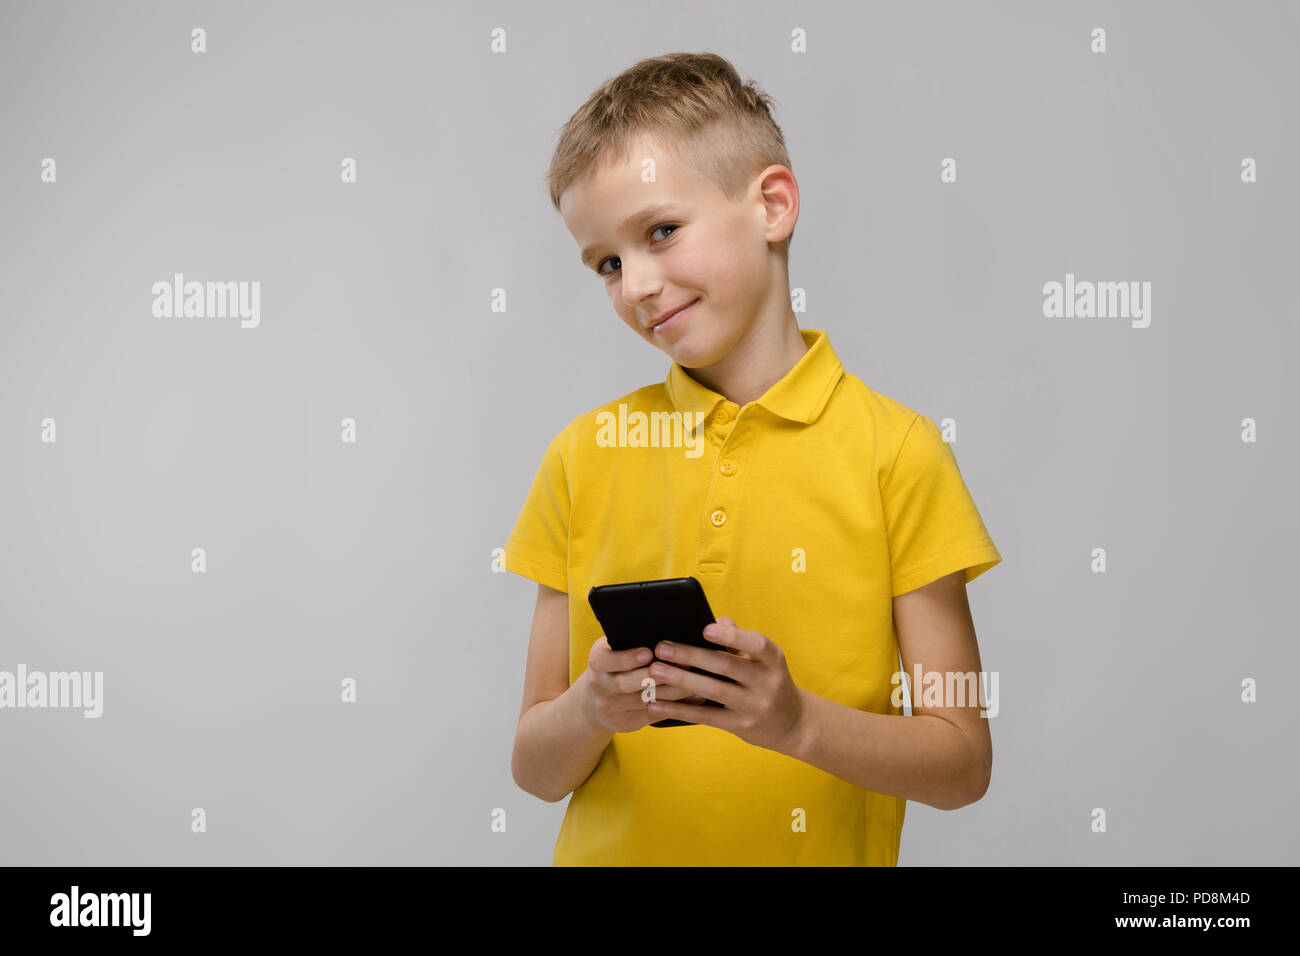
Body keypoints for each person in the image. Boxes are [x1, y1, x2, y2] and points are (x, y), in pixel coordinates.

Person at [504, 51, 1002, 865]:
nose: (635, 286)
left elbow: (962, 761)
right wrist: (592, 707)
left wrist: (796, 722)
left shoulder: (899, 453)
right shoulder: (581, 455)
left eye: (661, 232)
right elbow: (534, 767)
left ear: (772, 205)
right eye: (607, 263)